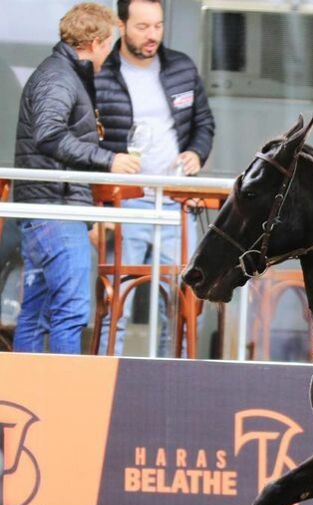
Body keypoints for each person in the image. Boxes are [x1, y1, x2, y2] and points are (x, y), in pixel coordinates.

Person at [13, 3, 141, 354]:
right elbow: (49, 135)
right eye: (110, 42)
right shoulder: (59, 77)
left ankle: (27, 395)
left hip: (46, 209)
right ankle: (61, 400)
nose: (111, 51)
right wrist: (108, 160)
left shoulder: (61, 74)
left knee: (36, 313)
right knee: (70, 312)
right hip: (56, 210)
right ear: (97, 41)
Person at [94, 0, 215, 356]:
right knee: (117, 300)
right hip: (126, 202)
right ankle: (103, 381)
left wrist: (196, 153)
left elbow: (204, 124)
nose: (152, 36)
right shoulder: (103, 71)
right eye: (143, 27)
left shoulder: (181, 67)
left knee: (182, 302)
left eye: (158, 27)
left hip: (176, 203)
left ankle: (173, 384)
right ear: (121, 25)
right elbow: (87, 137)